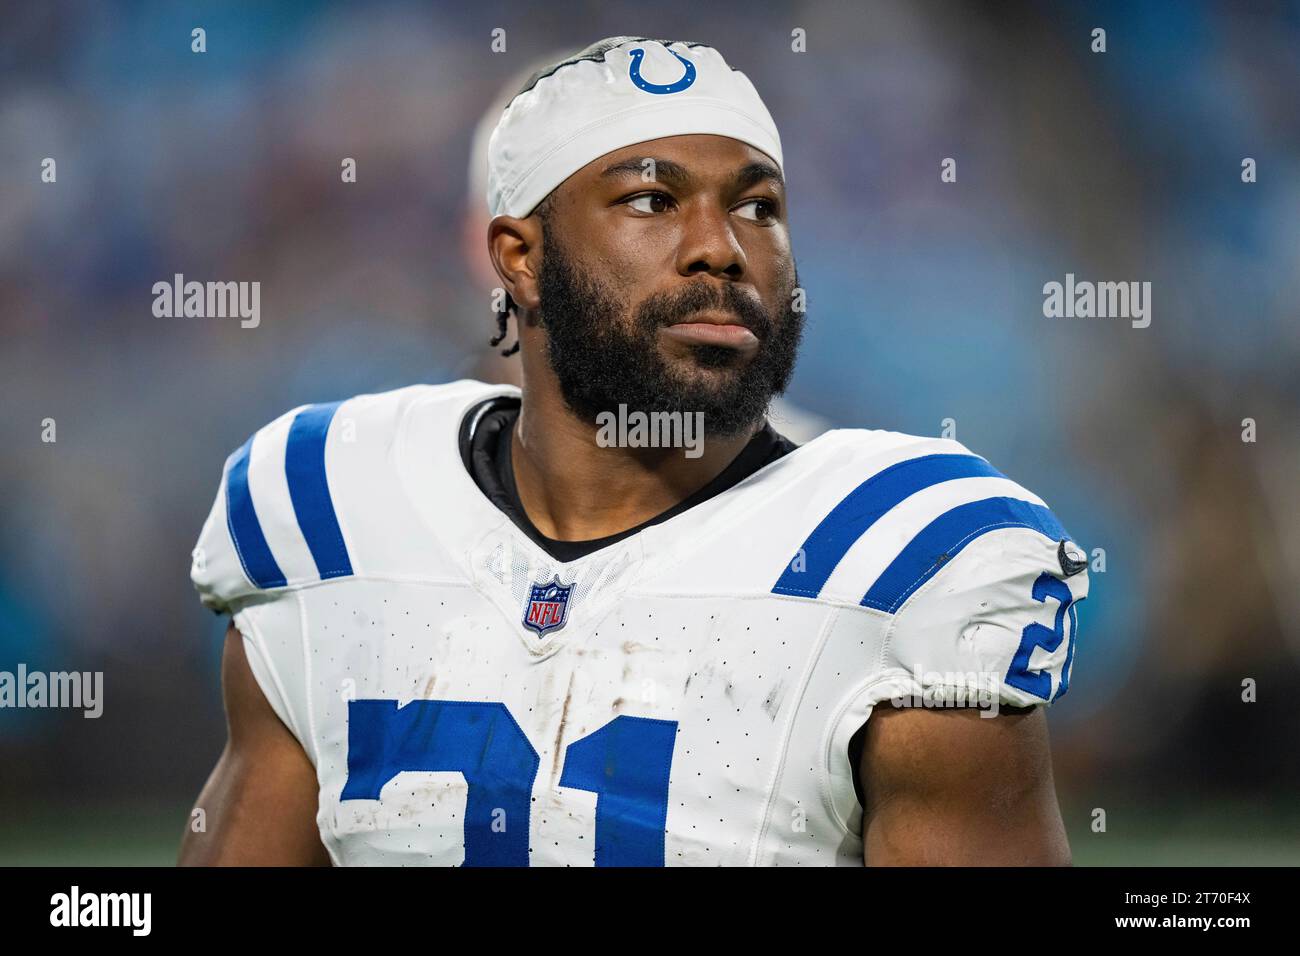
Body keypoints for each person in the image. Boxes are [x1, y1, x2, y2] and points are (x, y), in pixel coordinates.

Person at [180, 36, 1086, 867]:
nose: (719, 250)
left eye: (758, 206)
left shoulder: (902, 555)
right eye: (651, 201)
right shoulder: (328, 502)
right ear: (518, 258)